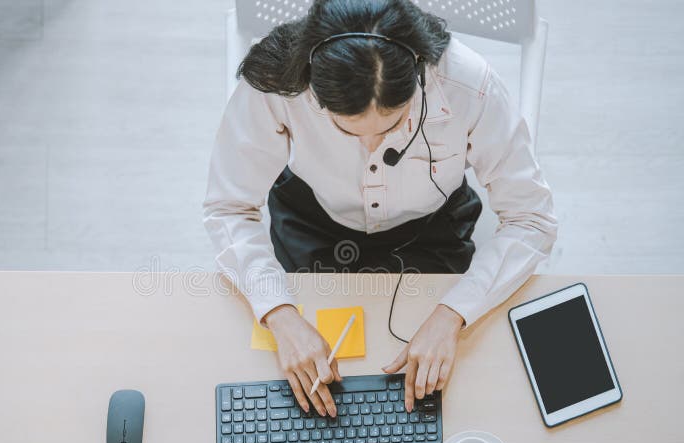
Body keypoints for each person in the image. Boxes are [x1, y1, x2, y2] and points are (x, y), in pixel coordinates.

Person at [203, 0, 557, 418]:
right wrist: (279, 314)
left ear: (420, 76)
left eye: (391, 126)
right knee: (304, 375)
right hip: (313, 221)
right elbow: (229, 208)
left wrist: (453, 314)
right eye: (345, 129)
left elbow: (531, 219)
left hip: (430, 229)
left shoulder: (469, 85)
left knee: (443, 385)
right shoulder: (278, 82)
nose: (372, 148)